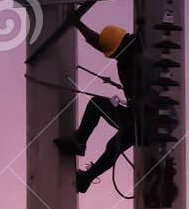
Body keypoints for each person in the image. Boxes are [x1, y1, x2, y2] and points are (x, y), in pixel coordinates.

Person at [55, 21, 142, 193]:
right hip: (138, 115)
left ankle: (84, 164)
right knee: (98, 107)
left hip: (142, 119)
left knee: (113, 145)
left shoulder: (135, 62)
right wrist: (78, 23)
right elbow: (100, 42)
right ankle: (80, 147)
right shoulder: (129, 48)